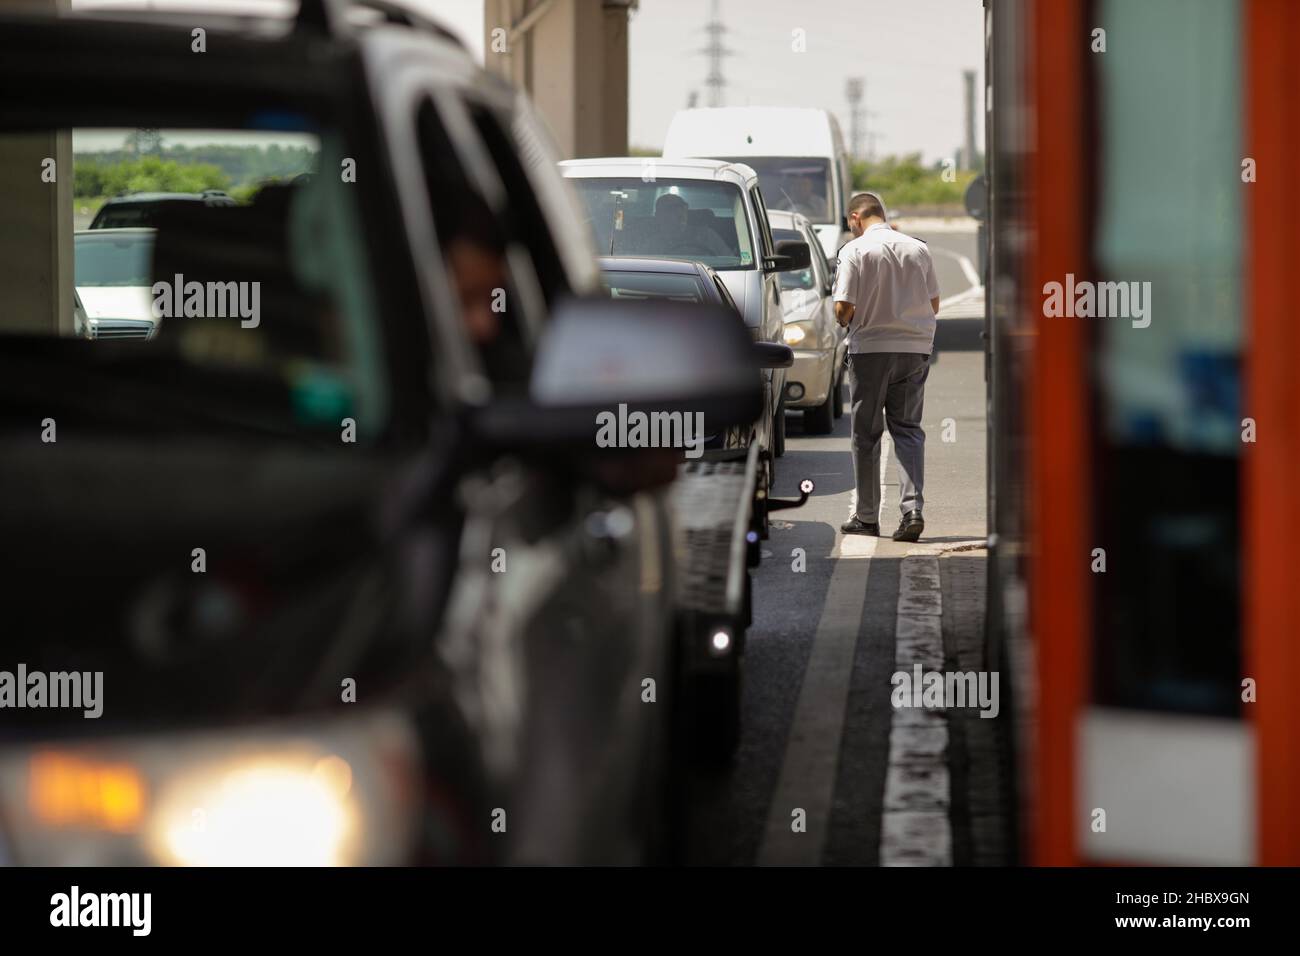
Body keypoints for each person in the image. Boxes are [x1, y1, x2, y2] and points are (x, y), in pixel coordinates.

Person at [832, 191, 940, 542]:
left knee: (866, 435)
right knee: (908, 429)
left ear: (854, 219)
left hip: (871, 352)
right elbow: (934, 303)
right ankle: (912, 511)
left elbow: (843, 307)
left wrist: (850, 318)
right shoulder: (917, 248)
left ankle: (866, 516)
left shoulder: (854, 250)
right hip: (914, 349)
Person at [632, 192, 729, 258]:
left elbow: (730, 261)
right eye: (671, 209)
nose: (680, 214)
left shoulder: (707, 236)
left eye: (683, 208)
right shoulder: (652, 245)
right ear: (659, 216)